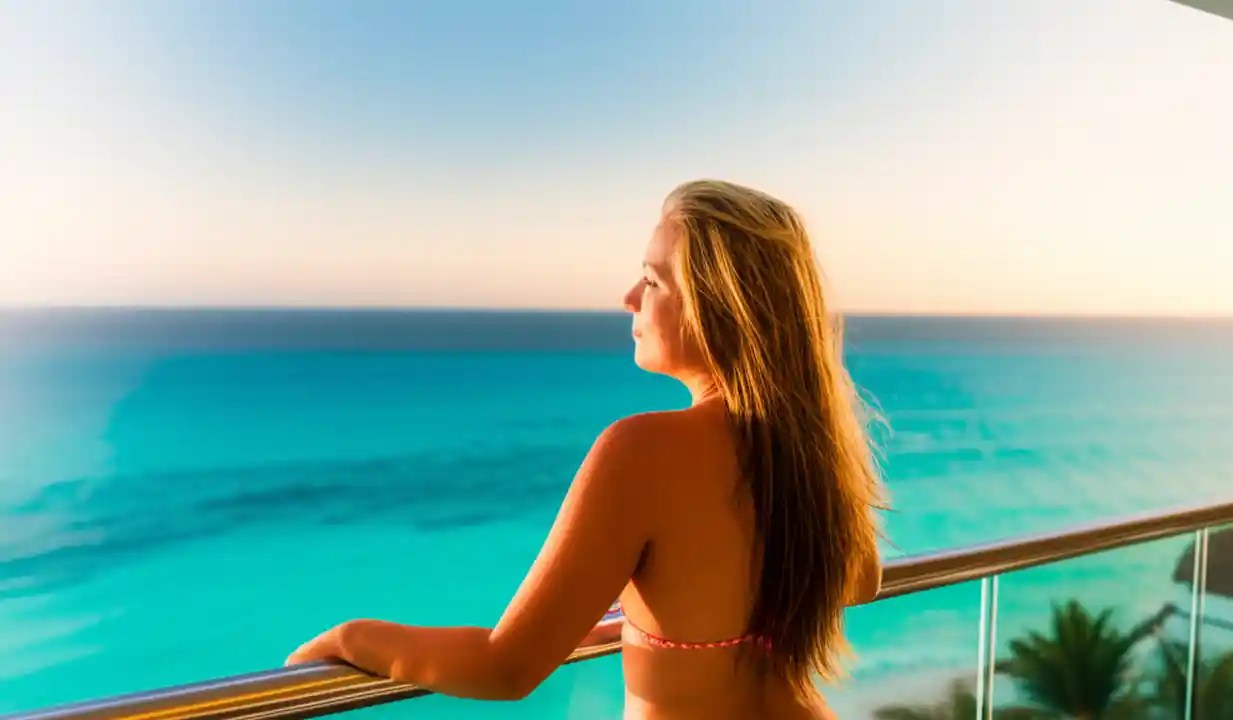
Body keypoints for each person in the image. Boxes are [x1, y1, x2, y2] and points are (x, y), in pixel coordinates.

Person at [287, 179, 886, 718]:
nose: (629, 296)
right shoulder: (809, 449)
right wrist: (652, 619)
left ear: (718, 309)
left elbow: (505, 668)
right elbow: (860, 581)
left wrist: (351, 639)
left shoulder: (643, 451)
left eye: (653, 280)